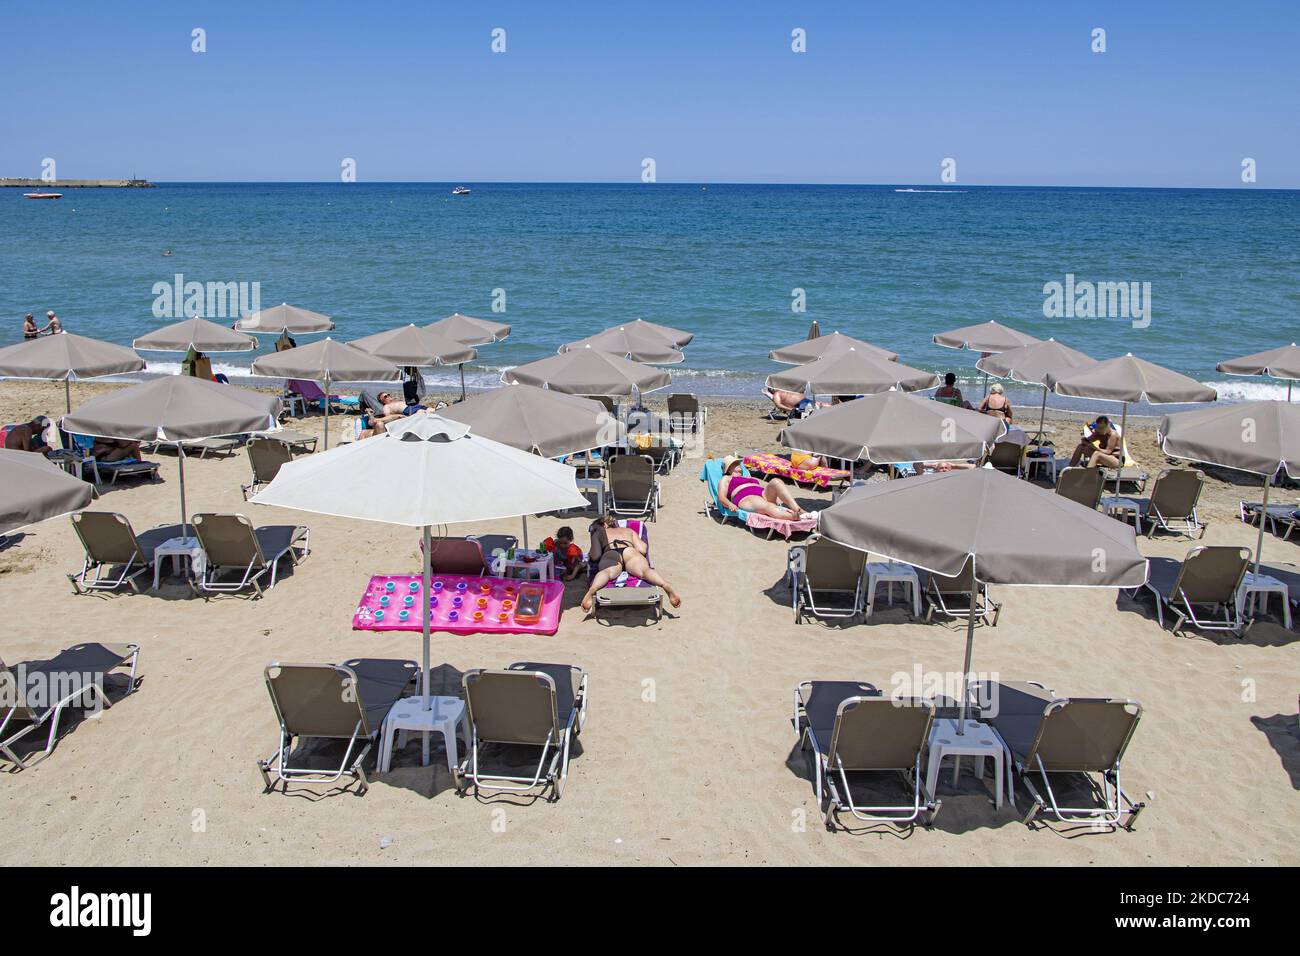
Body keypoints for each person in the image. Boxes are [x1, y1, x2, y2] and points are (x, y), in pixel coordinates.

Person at [581, 514, 681, 611]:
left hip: (611, 552)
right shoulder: (629, 530)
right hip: (629, 551)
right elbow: (642, 550)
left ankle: (592, 590)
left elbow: (596, 556)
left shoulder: (599, 533)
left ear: (604, 524)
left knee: (607, 573)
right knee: (645, 571)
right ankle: (664, 585)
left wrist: (593, 539)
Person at [718, 455, 808, 519]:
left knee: (776, 481)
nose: (738, 465)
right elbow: (721, 497)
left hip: (763, 494)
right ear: (729, 469)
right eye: (734, 464)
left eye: (738, 463)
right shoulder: (726, 478)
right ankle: (794, 517)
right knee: (768, 506)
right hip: (746, 497)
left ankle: (799, 510)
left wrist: (776, 497)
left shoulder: (748, 477)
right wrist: (730, 504)